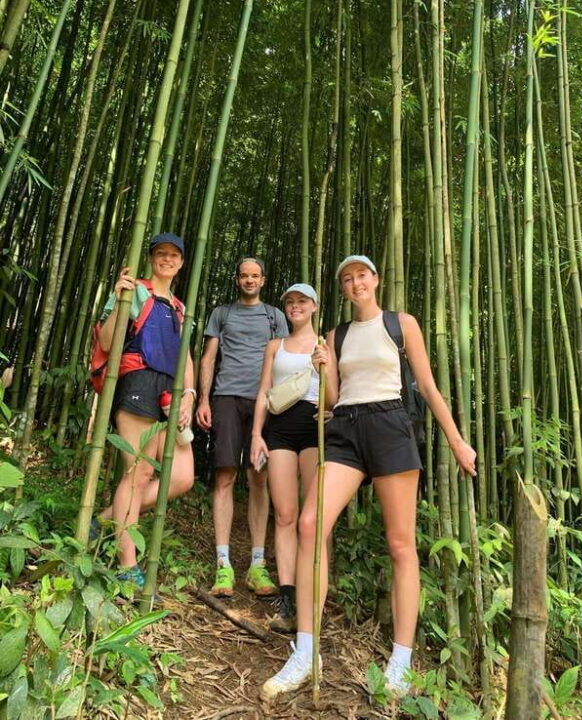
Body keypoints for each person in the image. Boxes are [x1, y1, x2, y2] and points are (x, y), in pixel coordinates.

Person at [261, 255, 477, 700]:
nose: (355, 283)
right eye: (347, 278)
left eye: (362, 275)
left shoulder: (402, 324)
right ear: (342, 288)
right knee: (309, 525)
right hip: (345, 427)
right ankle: (306, 652)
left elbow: (427, 386)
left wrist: (457, 441)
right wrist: (322, 365)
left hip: (391, 425)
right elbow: (332, 399)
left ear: (375, 280)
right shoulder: (335, 335)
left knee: (400, 544)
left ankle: (400, 662)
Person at [94, 232, 196, 588]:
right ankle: (127, 565)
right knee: (138, 473)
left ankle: (104, 521)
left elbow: (186, 357)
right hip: (138, 382)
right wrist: (120, 299)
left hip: (171, 392)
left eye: (174, 255)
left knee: (181, 477)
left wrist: (190, 393)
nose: (167, 259)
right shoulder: (135, 290)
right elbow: (107, 341)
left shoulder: (180, 307)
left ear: (181, 263)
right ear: (152, 258)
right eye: (160, 253)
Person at [196, 256, 288, 598]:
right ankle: (223, 564)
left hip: (264, 402)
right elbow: (208, 358)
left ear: (263, 280)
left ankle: (257, 564)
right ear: (237, 279)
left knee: (259, 478)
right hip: (226, 398)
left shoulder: (275, 316)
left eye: (255, 276)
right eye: (244, 275)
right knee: (224, 476)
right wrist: (203, 399)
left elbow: (286, 359)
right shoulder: (222, 313)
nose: (250, 280)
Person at [250, 283, 320, 633]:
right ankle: (289, 597)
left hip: (315, 428)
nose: (295, 306)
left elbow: (336, 390)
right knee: (285, 515)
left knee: (314, 516)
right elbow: (264, 390)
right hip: (279, 429)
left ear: (314, 306)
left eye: (302, 301)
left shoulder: (326, 343)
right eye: (290, 302)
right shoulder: (274, 346)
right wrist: (256, 434)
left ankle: (314, 596)